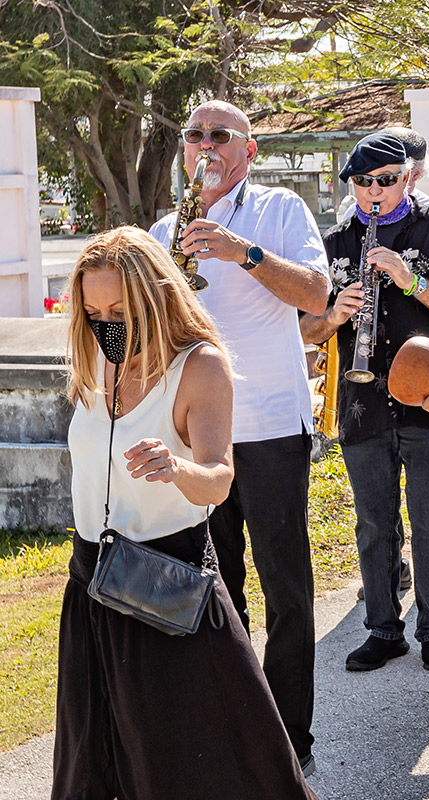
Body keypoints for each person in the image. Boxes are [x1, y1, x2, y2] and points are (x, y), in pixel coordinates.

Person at [54, 226, 316, 800]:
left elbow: (220, 481)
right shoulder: (91, 359)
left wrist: (175, 468)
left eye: (119, 310)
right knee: (92, 764)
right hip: (92, 583)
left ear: (155, 296)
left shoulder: (200, 366)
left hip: (166, 585)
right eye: (93, 310)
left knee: (195, 765)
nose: (105, 324)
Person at [148, 99, 330, 773]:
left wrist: (241, 252)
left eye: (220, 135)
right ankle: (233, 725)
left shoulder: (279, 209)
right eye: (194, 134)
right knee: (211, 585)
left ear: (248, 149)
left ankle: (291, 743)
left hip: (272, 424)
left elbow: (316, 293)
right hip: (198, 436)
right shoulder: (167, 225)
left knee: (286, 586)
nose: (205, 144)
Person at [300, 132, 429, 672]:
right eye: (364, 182)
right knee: (373, 521)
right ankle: (383, 628)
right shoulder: (334, 242)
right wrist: (334, 316)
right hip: (362, 403)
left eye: (387, 180)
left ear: (408, 177)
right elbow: (306, 329)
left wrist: (411, 282)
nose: (374, 191)